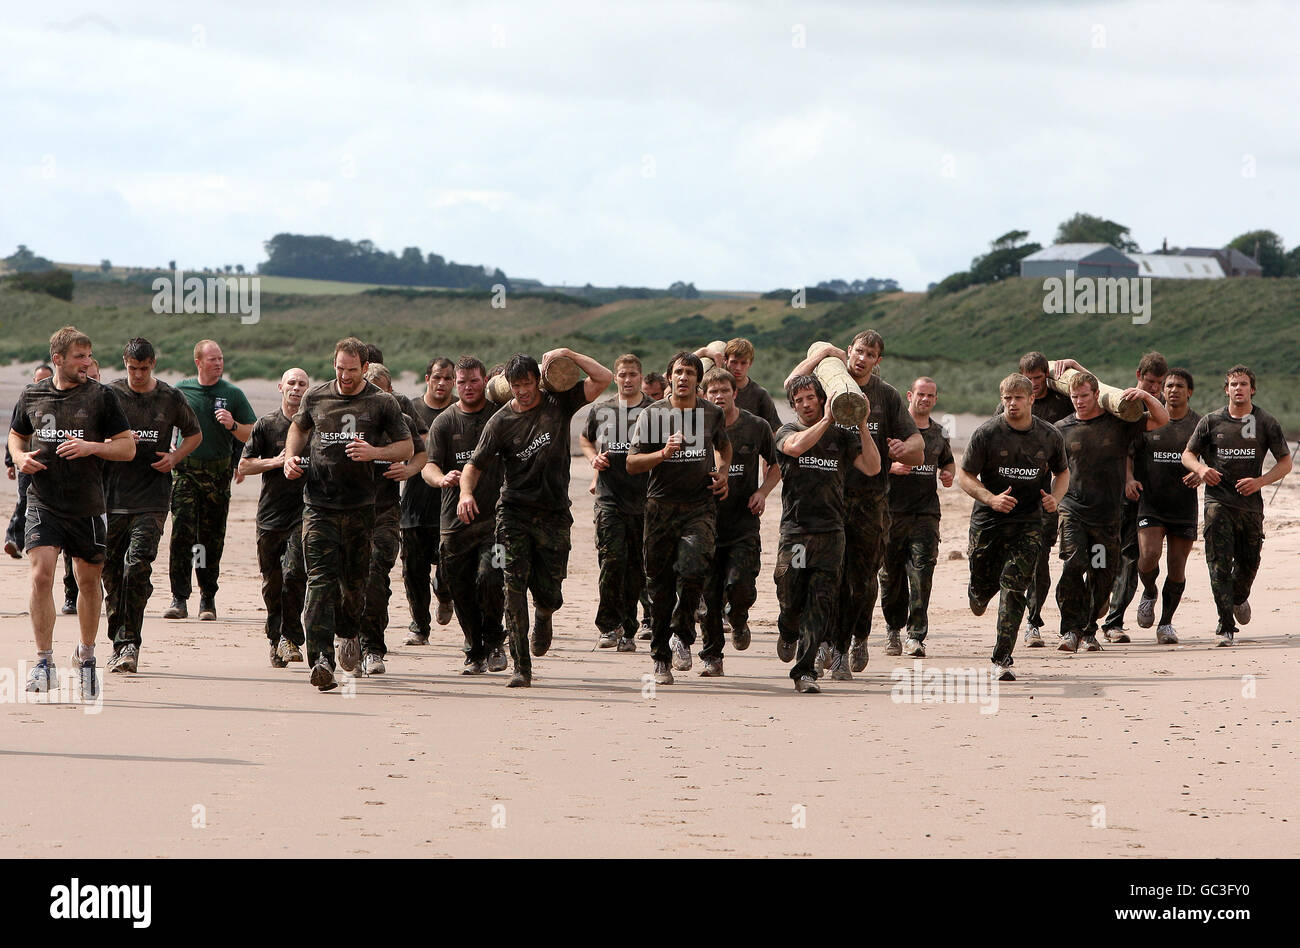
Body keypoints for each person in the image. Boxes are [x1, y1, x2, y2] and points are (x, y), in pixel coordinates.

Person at [458, 349, 612, 687]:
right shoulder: (500, 421)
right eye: (516, 386)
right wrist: (465, 493)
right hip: (513, 511)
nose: (522, 391)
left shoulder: (558, 403)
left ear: (538, 380)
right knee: (512, 587)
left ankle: (545, 613)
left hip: (554, 512)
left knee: (550, 589)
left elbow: (604, 378)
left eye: (527, 384)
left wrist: (568, 354)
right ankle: (521, 667)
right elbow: (474, 465)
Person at [786, 330, 923, 676]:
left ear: (878, 361)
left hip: (871, 502)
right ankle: (830, 646)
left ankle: (858, 635)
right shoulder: (828, 380)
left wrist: (903, 448)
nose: (862, 359)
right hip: (828, 501)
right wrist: (822, 353)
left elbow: (918, 447)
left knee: (861, 581)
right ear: (849, 351)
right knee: (826, 578)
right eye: (858, 351)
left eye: (870, 355)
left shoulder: (886, 395)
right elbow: (791, 384)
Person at [9, 327, 134, 699]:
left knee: (88, 581)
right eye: (80, 356)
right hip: (43, 501)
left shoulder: (101, 397)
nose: (87, 363)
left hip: (87, 505)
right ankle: (44, 662)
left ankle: (87, 657)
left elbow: (127, 448)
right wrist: (19, 456)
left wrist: (91, 447)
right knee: (41, 576)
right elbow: (16, 434)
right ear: (58, 359)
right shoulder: (32, 394)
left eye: (89, 356)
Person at [285, 337, 413, 691]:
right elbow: (298, 427)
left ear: (365, 368)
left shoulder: (382, 402)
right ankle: (321, 660)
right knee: (320, 582)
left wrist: (375, 452)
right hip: (319, 506)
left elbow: (406, 446)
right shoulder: (316, 397)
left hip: (361, 509)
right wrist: (291, 457)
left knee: (355, 586)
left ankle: (349, 631)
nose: (345, 376)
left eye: (352, 370)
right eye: (340, 368)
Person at [627, 351, 731, 685]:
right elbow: (632, 463)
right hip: (660, 507)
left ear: (698, 380)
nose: (683, 377)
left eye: (690, 372)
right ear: (669, 377)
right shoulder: (652, 414)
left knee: (693, 570)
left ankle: (682, 635)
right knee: (659, 588)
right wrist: (662, 453)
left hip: (699, 506)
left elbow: (724, 447)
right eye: (678, 372)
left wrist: (723, 472)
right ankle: (660, 659)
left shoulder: (711, 413)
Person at [957, 374, 1068, 681]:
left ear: (1032, 399)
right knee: (982, 587)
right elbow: (965, 475)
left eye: (1018, 397)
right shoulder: (987, 433)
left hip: (1027, 521)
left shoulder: (1049, 435)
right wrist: (990, 499)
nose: (1012, 403)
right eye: (1007, 398)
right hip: (989, 521)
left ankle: (1002, 658)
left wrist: (1055, 499)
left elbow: (1062, 472)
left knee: (1014, 588)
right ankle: (978, 592)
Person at [772, 375, 879, 692]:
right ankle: (787, 629)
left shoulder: (841, 437)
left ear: (822, 399)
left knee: (821, 602)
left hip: (831, 534)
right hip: (796, 534)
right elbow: (796, 448)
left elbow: (872, 467)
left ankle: (805, 672)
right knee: (790, 594)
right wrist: (828, 420)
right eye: (799, 400)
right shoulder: (787, 432)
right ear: (793, 406)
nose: (806, 404)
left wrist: (862, 424)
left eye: (811, 398)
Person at [102, 339, 203, 673]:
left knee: (137, 566)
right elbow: (93, 435)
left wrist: (175, 457)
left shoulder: (170, 397)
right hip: (113, 497)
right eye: (133, 368)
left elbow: (194, 434)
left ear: (153, 364)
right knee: (112, 575)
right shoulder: (111, 394)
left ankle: (129, 644)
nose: (138, 375)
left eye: (144, 369)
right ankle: (119, 637)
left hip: (153, 497)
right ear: (125, 363)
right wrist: (108, 443)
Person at [1053, 372, 1167, 652]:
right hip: (1072, 510)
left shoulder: (1119, 424)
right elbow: (1049, 469)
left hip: (1106, 516)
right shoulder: (1061, 429)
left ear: (1096, 395)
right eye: (1074, 397)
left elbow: (1161, 419)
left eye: (1084, 396)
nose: (1079, 401)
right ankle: (1070, 630)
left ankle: (1089, 631)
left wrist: (1145, 396)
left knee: (1102, 573)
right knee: (1074, 564)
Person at [1182, 365, 1292, 646]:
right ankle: (1225, 626)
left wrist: (1260, 481)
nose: (1238, 388)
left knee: (1248, 563)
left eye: (1243, 384)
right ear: (1226, 389)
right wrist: (1201, 469)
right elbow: (1188, 455)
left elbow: (1285, 462)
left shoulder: (1265, 422)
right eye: (1233, 384)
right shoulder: (1211, 421)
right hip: (1218, 501)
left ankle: (1239, 597)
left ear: (1252, 389)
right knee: (1218, 563)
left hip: (1250, 505)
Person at [424, 357, 507, 674]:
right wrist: (441, 479)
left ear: (484, 381)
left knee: (491, 578)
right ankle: (474, 650)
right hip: (455, 524)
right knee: (461, 589)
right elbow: (429, 466)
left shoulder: (499, 416)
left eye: (474, 381)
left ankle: (495, 642)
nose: (467, 387)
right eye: (462, 382)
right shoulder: (445, 422)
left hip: (495, 521)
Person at [165, 339, 256, 621]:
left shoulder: (233, 394)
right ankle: (179, 598)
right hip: (186, 472)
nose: (218, 363)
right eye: (212, 359)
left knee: (209, 539)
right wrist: (170, 446)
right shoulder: (181, 390)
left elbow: (252, 433)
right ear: (199, 362)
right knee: (182, 534)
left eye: (221, 359)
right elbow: (165, 422)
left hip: (218, 475)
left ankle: (207, 597)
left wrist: (233, 425)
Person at [699, 366, 778, 673]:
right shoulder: (698, 427)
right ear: (705, 395)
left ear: (735, 393)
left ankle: (739, 617)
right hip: (706, 522)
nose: (719, 396)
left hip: (743, 522)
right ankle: (712, 657)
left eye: (724, 391)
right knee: (710, 596)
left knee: (741, 586)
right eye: (713, 392)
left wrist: (762, 492)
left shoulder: (756, 426)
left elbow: (776, 464)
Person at [995, 352, 1076, 647]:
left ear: (1047, 376)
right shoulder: (1008, 405)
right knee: (1016, 561)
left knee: (1040, 560)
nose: (1034, 384)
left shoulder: (1062, 401)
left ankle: (1033, 621)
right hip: (1015, 492)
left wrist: (1075, 367)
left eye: (1039, 378)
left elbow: (1092, 395)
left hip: (1049, 490)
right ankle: (1020, 618)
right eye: (1028, 379)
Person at [580, 354, 655, 652]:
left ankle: (629, 629)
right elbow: (585, 439)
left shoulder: (655, 411)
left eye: (633, 374)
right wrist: (593, 459)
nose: (627, 379)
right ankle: (609, 626)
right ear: (615, 377)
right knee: (612, 560)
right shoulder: (602, 409)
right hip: (608, 497)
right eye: (622, 374)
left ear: (640, 377)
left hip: (644, 499)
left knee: (636, 567)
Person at [239, 367, 311, 668]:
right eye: (291, 383)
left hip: (304, 512)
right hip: (270, 514)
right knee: (272, 582)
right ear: (280, 387)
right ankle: (275, 638)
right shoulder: (267, 424)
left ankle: (290, 638)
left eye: (302, 384)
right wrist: (275, 462)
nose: (296, 388)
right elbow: (244, 465)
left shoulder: (315, 427)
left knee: (294, 574)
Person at [359, 363, 428, 674]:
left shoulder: (401, 419)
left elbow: (421, 452)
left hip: (385, 510)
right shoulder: (349, 415)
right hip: (347, 509)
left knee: (376, 576)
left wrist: (409, 469)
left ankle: (372, 649)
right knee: (349, 580)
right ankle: (349, 637)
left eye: (382, 390)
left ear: (390, 392)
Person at [880, 376, 955, 658]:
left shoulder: (939, 433)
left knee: (922, 573)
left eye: (930, 395)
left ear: (935, 399)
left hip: (926, 514)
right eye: (920, 394)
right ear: (909, 396)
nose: (925, 399)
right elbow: (870, 462)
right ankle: (893, 629)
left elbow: (948, 461)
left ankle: (915, 636)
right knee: (890, 576)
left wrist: (948, 474)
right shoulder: (894, 429)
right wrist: (892, 467)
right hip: (891, 513)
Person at [1129, 369, 1201, 644]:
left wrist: (1200, 471)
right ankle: (1149, 591)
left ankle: (1166, 624)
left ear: (1189, 392)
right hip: (1151, 501)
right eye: (1169, 385)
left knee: (1177, 568)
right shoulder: (1149, 420)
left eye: (1179, 386)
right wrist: (1129, 478)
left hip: (1183, 504)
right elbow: (1128, 453)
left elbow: (1210, 458)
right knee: (1148, 556)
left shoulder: (1198, 423)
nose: (1173, 390)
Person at [1100, 351, 1169, 640]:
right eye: (1150, 381)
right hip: (1116, 491)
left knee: (1132, 557)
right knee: (1107, 554)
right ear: (1138, 375)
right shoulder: (1124, 403)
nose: (1154, 387)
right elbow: (1123, 447)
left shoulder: (1162, 407)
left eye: (1159, 383)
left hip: (1150, 495)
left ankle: (1114, 621)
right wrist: (1127, 477)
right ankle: (1101, 606)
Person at [401, 357, 457, 644]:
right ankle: (420, 626)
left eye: (448, 378)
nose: (442, 383)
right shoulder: (411, 410)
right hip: (415, 504)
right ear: (427, 379)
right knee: (413, 571)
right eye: (437, 377)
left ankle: (445, 594)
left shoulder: (461, 409)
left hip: (451, 505)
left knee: (449, 565)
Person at [5, 364, 54, 559]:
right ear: (33, 381)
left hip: (51, 464)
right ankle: (15, 541)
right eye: (39, 380)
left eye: (46, 379)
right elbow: (14, 433)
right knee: (24, 500)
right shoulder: (26, 400)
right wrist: (10, 462)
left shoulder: (59, 401)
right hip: (27, 461)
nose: (42, 383)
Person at [696, 339, 781, 430]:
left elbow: (775, 430)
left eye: (743, 363)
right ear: (725, 360)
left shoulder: (760, 394)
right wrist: (703, 351)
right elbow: (684, 370)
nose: (738, 368)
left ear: (750, 363)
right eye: (734, 362)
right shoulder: (710, 391)